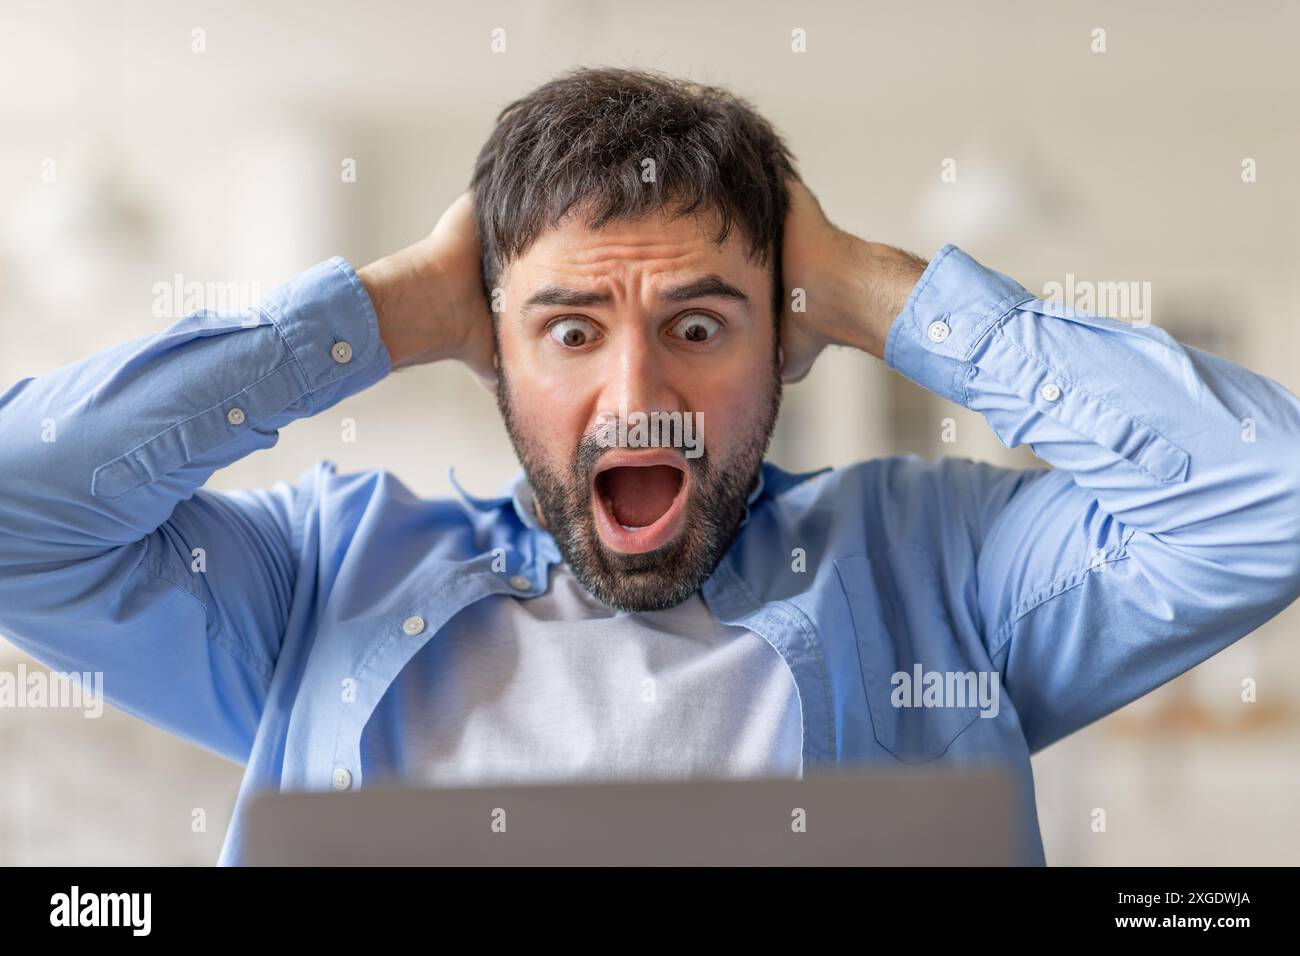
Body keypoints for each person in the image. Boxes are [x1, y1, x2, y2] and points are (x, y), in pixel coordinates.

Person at [1, 68, 1297, 866]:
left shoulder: (942, 573)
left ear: (788, 344)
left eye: (697, 326)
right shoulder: (318, 584)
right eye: (570, 330)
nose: (639, 398)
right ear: (490, 350)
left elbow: (1270, 500)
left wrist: (875, 290)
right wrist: (379, 314)